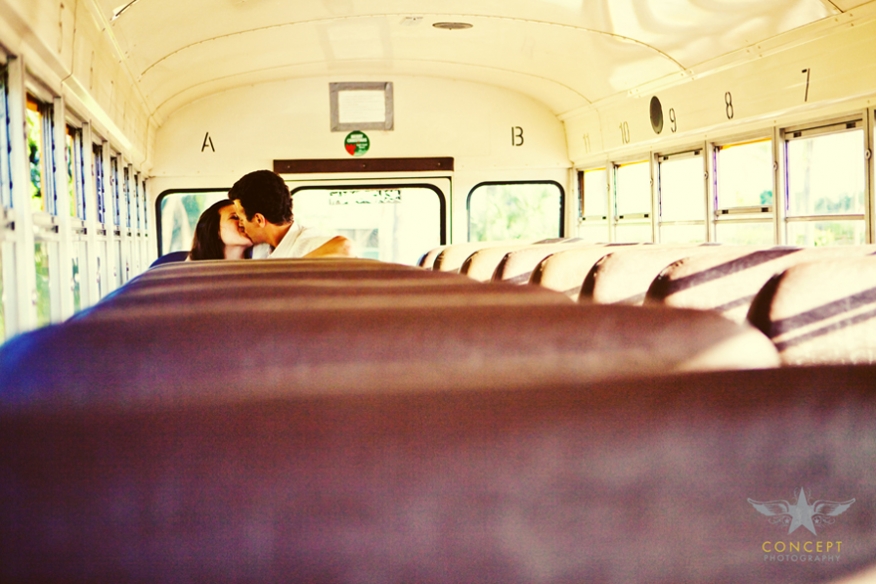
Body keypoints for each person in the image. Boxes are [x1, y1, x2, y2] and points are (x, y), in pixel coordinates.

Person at [228, 170, 355, 259]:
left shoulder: (306, 243)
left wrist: (288, 271)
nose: (240, 224)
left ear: (259, 220)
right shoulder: (262, 248)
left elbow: (345, 247)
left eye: (241, 219)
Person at [188, 199, 253, 260]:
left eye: (246, 217)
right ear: (216, 230)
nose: (245, 222)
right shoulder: (194, 267)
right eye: (235, 217)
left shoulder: (258, 264)